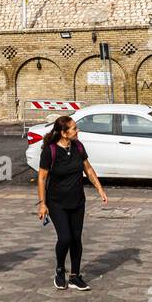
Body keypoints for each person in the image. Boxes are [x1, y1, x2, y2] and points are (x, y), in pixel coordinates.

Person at [36, 114, 109, 291]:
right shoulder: (50, 150)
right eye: (74, 128)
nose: (78, 130)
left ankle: (75, 276)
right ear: (64, 133)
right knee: (65, 238)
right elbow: (42, 178)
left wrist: (100, 189)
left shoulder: (78, 147)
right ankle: (60, 270)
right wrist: (42, 203)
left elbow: (88, 169)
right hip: (56, 202)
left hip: (77, 201)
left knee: (76, 239)